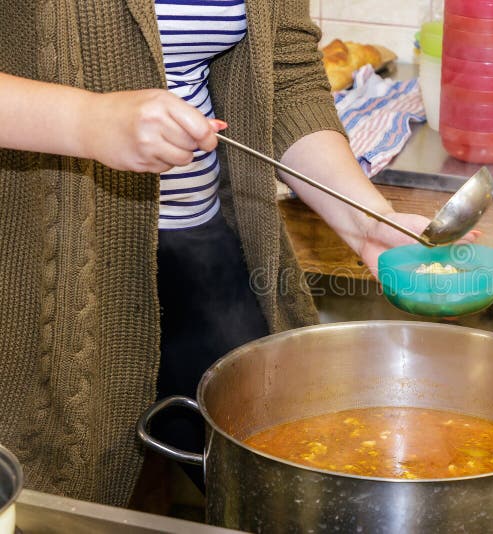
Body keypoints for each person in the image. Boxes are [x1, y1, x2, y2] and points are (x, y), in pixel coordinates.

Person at [0, 0, 449, 507]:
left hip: (205, 251)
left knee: (284, 493)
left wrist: (366, 221)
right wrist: (85, 121)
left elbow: (286, 76)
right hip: (39, 275)